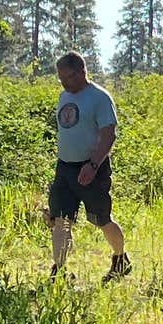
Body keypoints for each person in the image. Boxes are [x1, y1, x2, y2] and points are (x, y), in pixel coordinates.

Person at [49, 53, 131, 281]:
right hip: (65, 168)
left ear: (82, 72)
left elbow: (109, 135)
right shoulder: (64, 96)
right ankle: (60, 270)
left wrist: (93, 164)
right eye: (60, 78)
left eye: (68, 77)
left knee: (102, 220)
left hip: (92, 169)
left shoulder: (99, 98)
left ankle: (120, 258)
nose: (64, 82)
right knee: (60, 219)